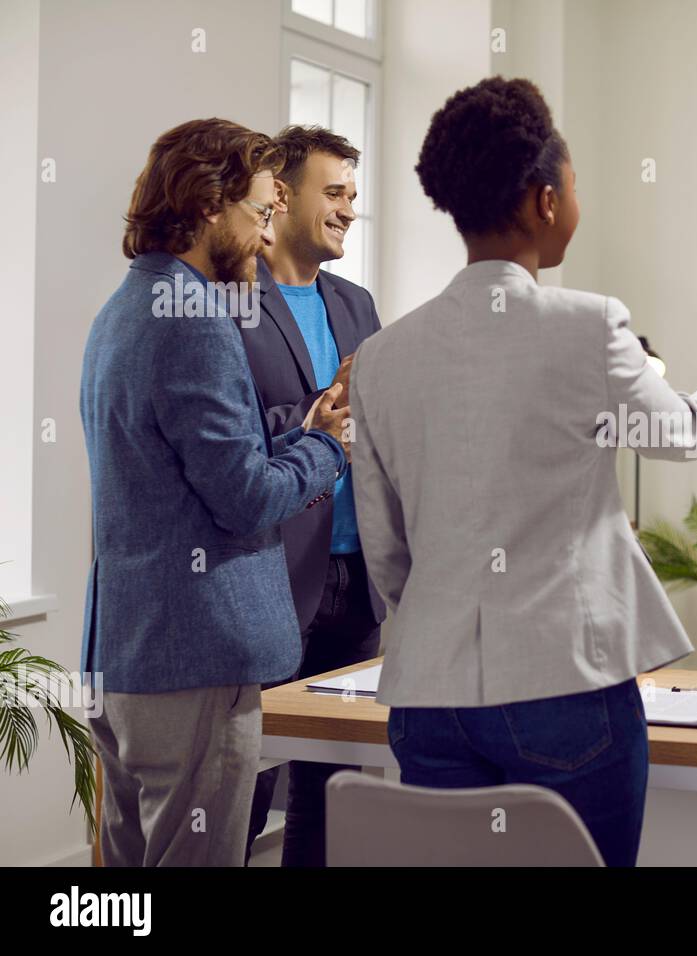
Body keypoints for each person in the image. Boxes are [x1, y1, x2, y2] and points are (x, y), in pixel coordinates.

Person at [346, 77, 697, 868]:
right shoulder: (587, 322)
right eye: (573, 186)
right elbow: (671, 430)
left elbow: (387, 549)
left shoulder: (384, 356)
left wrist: (445, 619)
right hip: (563, 690)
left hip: (428, 697)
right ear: (543, 200)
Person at [80, 118, 351, 866]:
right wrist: (329, 446)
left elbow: (193, 476)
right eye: (262, 213)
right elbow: (244, 499)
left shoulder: (122, 310)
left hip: (126, 658)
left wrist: (299, 435)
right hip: (195, 661)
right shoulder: (197, 319)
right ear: (209, 205)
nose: (267, 238)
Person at [238, 125, 385, 868]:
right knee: (246, 790)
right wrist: (315, 416)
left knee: (332, 795)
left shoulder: (357, 304)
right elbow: (222, 440)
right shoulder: (228, 297)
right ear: (283, 194)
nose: (348, 209)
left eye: (353, 196)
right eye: (334, 193)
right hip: (269, 582)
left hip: (356, 582)